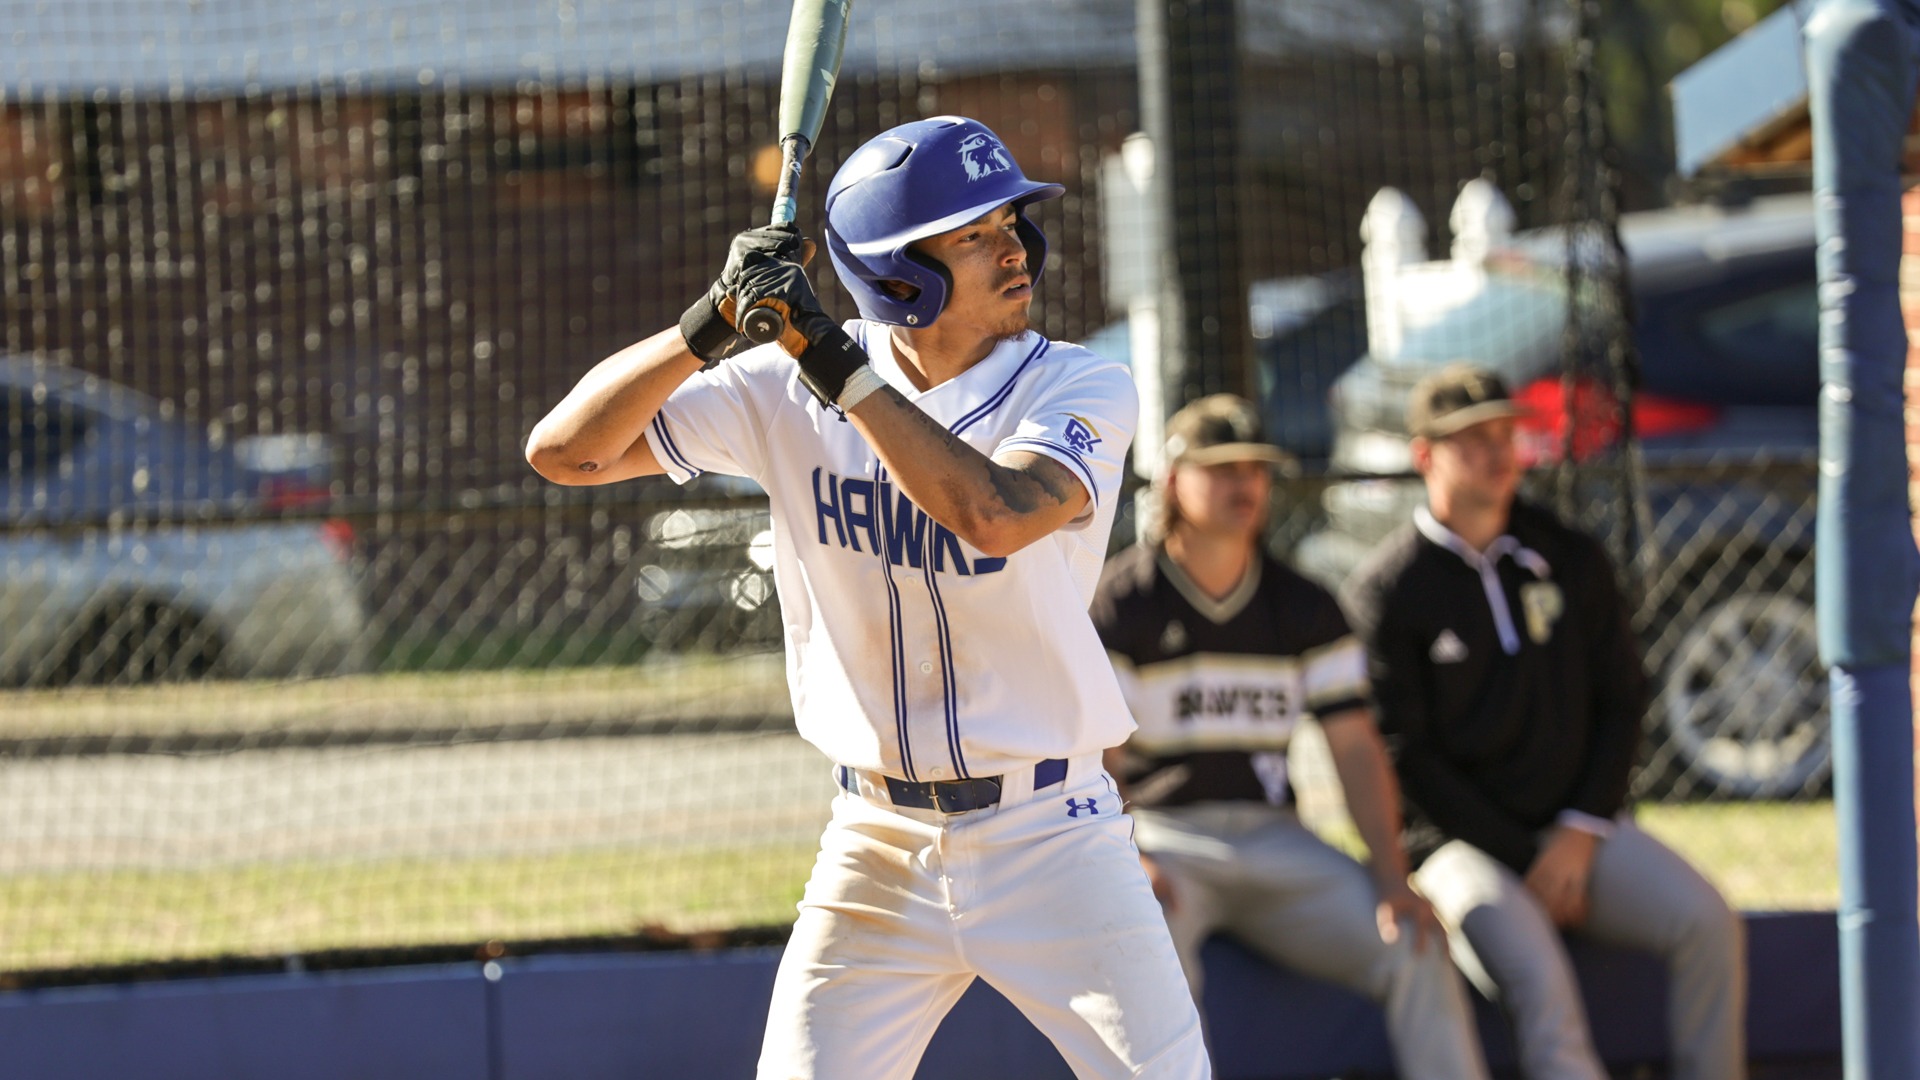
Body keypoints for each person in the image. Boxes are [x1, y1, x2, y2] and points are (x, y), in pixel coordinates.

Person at [525, 116, 1210, 1080]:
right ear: (900, 277)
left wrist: (831, 363)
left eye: (1013, 222)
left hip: (1052, 833)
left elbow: (996, 512)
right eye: (976, 235)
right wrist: (705, 327)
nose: (1016, 249)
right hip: (877, 843)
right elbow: (566, 452)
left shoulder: (1080, 384)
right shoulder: (782, 389)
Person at [1339, 364, 1746, 1080]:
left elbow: (1623, 698)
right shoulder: (1388, 589)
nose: (1498, 454)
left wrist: (1580, 830)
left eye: (1507, 434)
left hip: (1576, 833)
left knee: (1706, 922)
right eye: (1473, 440)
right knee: (1541, 978)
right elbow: (1405, 757)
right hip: (1462, 850)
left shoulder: (1567, 555)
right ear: (1424, 455)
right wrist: (1527, 857)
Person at [1090, 394, 1491, 1080]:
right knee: (1142, 948)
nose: (1243, 484)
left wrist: (1393, 878)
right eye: (1221, 468)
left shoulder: (1304, 604)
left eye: (1255, 469)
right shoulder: (1124, 599)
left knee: (1415, 944)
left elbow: (1357, 748)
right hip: (1162, 840)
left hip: (1277, 838)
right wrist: (1121, 852)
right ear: (1172, 481)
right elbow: (1089, 753)